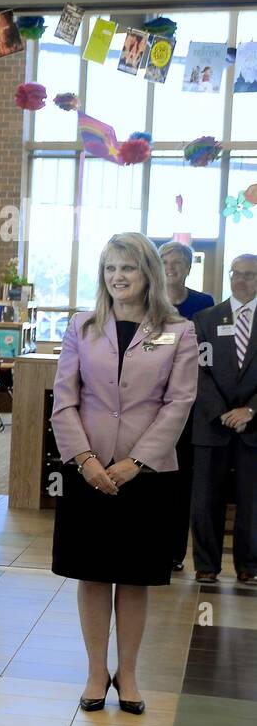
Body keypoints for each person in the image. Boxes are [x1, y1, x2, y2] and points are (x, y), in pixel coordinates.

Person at [51, 232, 198, 716]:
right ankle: (96, 670)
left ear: (148, 275)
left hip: (148, 474)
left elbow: (179, 403)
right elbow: (64, 400)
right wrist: (87, 461)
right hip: (88, 470)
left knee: (134, 579)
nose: (118, 277)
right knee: (93, 576)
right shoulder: (83, 326)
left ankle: (127, 673)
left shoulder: (177, 330)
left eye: (128, 268)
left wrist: (136, 462)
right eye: (111, 268)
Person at [190, 254, 257, 586]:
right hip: (211, 424)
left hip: (254, 426)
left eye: (248, 275)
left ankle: (250, 566)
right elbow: (197, 371)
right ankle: (206, 565)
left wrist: (251, 411)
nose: (239, 280)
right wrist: (222, 412)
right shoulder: (205, 318)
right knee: (205, 499)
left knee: (252, 502)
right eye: (235, 274)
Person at [158, 240, 215, 571]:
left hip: (190, 406)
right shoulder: (149, 301)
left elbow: (208, 355)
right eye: (165, 260)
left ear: (188, 267)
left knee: (180, 480)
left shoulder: (204, 304)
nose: (171, 267)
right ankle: (151, 543)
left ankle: (175, 553)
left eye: (177, 261)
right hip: (153, 403)